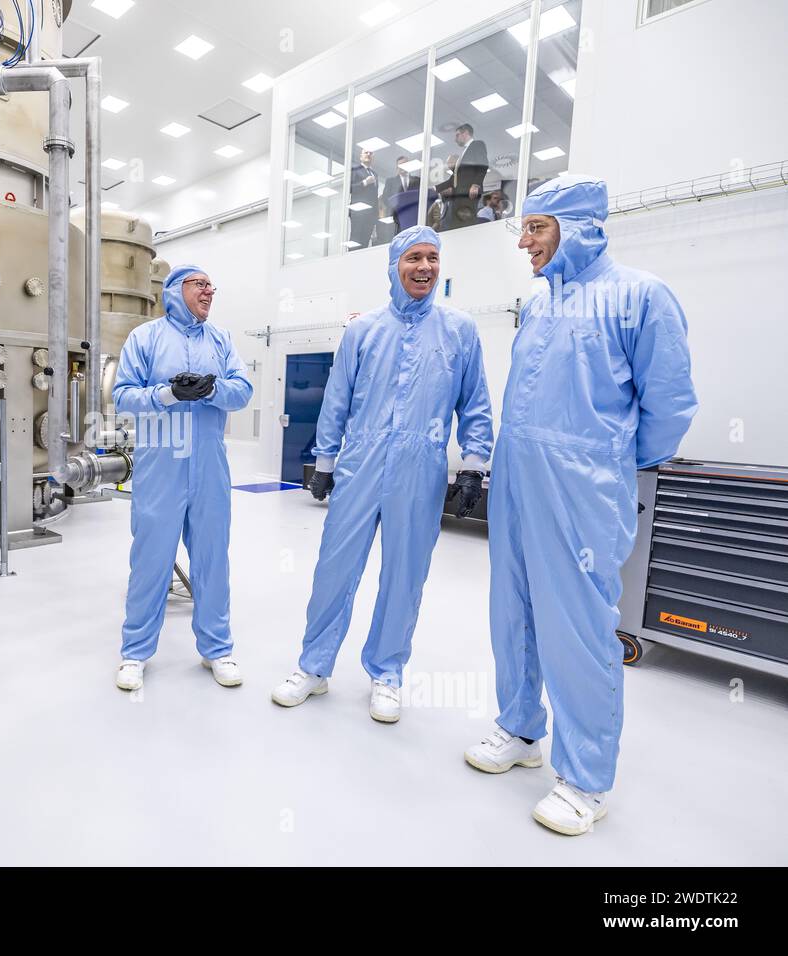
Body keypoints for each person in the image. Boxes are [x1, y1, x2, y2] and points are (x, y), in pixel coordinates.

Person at [465, 175, 698, 835]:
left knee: (579, 626)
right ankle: (519, 728)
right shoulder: (538, 306)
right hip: (517, 477)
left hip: (582, 485)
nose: (525, 243)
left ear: (581, 227)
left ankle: (586, 778)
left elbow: (671, 405)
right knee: (513, 609)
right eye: (525, 229)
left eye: (536, 228)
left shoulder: (640, 297)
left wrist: (606, 460)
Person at [272, 226, 493, 721]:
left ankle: (387, 672)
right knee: (335, 567)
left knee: (405, 574)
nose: (425, 268)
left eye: (433, 258)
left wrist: (474, 465)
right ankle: (314, 666)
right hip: (361, 462)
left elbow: (475, 401)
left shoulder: (460, 331)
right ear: (394, 266)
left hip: (422, 466)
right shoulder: (363, 330)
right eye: (414, 258)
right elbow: (337, 401)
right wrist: (324, 462)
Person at [112, 265, 254, 692]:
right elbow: (122, 396)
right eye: (200, 284)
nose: (209, 291)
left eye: (212, 285)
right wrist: (169, 394)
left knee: (213, 557)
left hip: (210, 462)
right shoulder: (145, 338)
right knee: (151, 559)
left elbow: (243, 389)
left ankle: (217, 649)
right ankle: (135, 653)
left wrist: (210, 390)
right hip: (161, 461)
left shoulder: (222, 340)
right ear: (175, 291)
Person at [438, 124, 489, 230]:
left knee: (466, 225)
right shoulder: (464, 153)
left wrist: (475, 185)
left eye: (457, 135)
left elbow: (483, 164)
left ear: (465, 133)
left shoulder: (477, 144)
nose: (455, 139)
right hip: (459, 197)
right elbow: (457, 178)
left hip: (468, 194)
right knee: (457, 226)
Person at [348, 148, 379, 249]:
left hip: (370, 213)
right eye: (366, 153)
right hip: (359, 211)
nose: (369, 154)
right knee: (356, 239)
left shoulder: (375, 174)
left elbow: (374, 196)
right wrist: (364, 182)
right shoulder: (355, 170)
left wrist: (376, 215)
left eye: (371, 153)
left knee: (365, 241)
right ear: (361, 156)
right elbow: (349, 188)